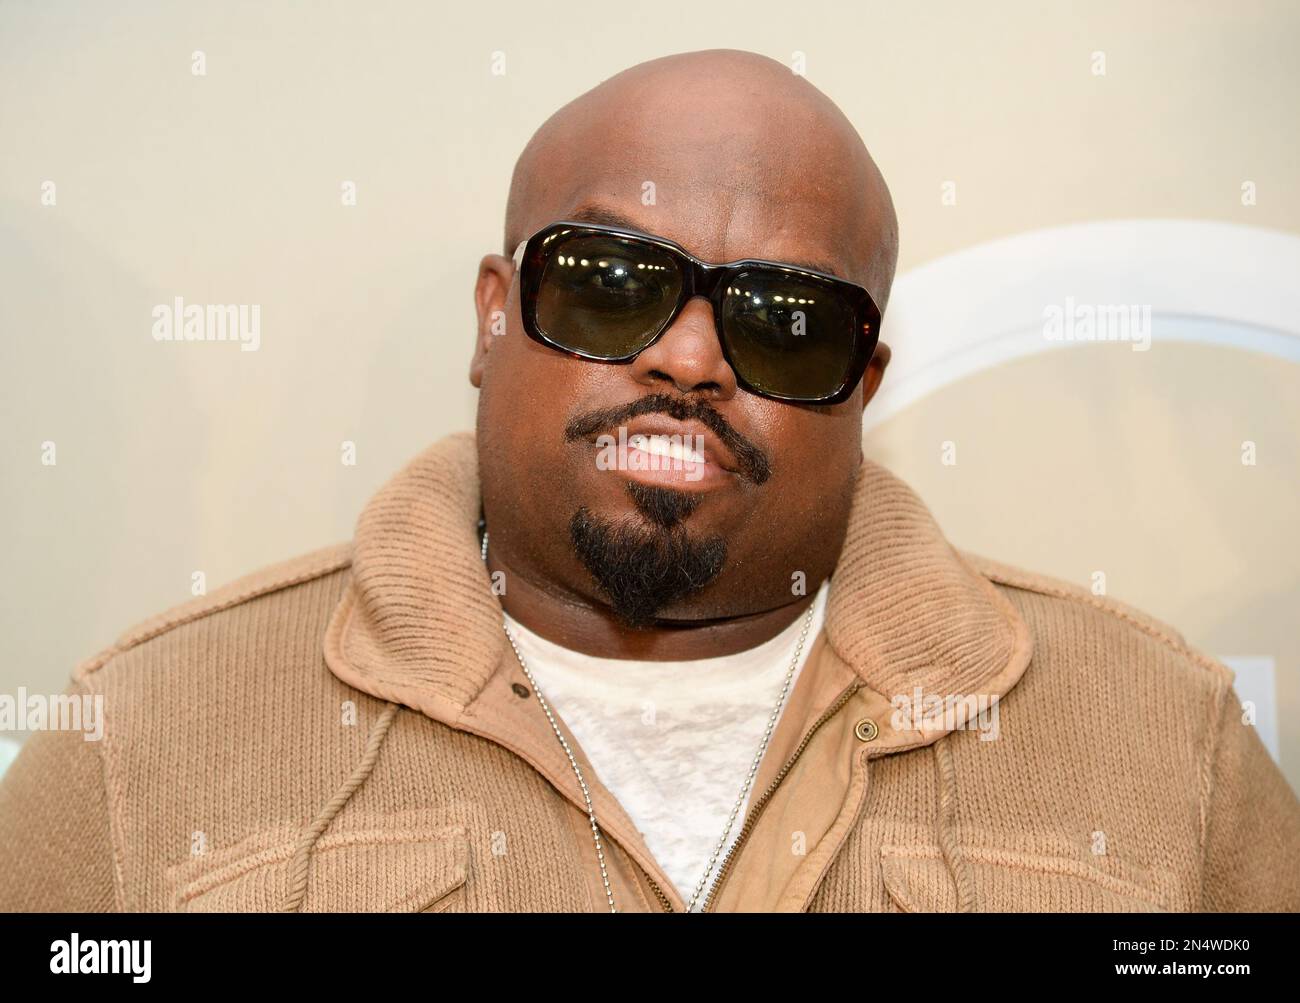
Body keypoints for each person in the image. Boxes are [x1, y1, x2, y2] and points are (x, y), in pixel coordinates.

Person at [2, 49, 1296, 913]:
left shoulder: (1163, 740)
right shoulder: (145, 741)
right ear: (493, 317)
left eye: (784, 320)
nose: (688, 358)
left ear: (862, 379)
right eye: (610, 286)